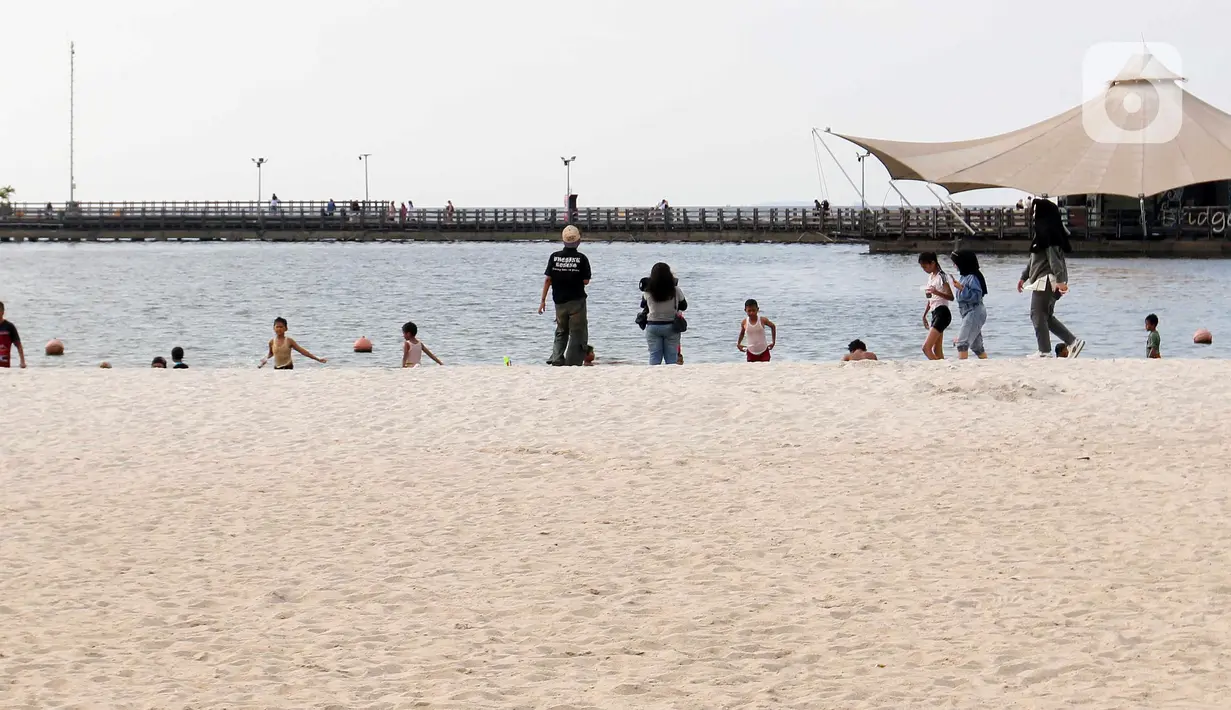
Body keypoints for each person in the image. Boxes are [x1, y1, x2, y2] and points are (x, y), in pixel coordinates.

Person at [1019, 198, 1086, 358]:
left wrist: (1061, 282)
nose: (1033, 214)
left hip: (1048, 281)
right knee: (1046, 317)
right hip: (1047, 280)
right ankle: (1072, 342)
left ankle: (1044, 351)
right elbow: (1034, 260)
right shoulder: (1044, 233)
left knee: (1037, 313)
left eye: (1035, 211)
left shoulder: (1048, 233)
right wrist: (1023, 277)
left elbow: (1054, 260)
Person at [538, 225, 591, 366]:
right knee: (577, 332)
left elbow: (548, 280)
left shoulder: (554, 257)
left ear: (563, 241)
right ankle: (572, 361)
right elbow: (586, 281)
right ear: (578, 241)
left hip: (559, 301)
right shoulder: (582, 258)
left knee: (561, 330)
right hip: (577, 300)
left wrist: (543, 301)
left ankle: (556, 357)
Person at [639, 262, 687, 365]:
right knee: (671, 359)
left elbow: (643, 305)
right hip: (671, 326)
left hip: (653, 326)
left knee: (654, 357)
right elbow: (684, 306)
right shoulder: (676, 290)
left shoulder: (647, 291)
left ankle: (653, 379)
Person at [949, 250, 989, 360]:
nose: (954, 265)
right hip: (968, 313)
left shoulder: (973, 277)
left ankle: (962, 368)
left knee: (962, 343)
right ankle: (986, 363)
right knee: (977, 346)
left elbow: (976, 296)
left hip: (974, 311)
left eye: (956, 263)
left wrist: (961, 288)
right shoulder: (964, 277)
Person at [919, 252, 954, 360]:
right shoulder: (931, 277)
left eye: (925, 266)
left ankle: (937, 367)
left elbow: (951, 297)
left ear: (933, 263)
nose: (924, 269)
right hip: (935, 312)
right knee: (937, 350)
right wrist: (924, 315)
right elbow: (931, 299)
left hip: (943, 313)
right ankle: (943, 370)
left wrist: (936, 292)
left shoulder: (942, 276)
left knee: (926, 348)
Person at [258, 317, 327, 370]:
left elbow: (302, 351)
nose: (279, 329)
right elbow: (271, 353)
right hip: (276, 368)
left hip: (288, 368)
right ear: (274, 328)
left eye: (281, 327)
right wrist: (264, 360)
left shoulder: (289, 341)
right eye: (277, 327)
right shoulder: (272, 342)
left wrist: (317, 359)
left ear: (286, 328)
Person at [0, 302, 26, 369]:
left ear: (3, 312)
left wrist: (22, 362)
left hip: (4, 365)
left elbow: (18, 345)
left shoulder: (9, 326)